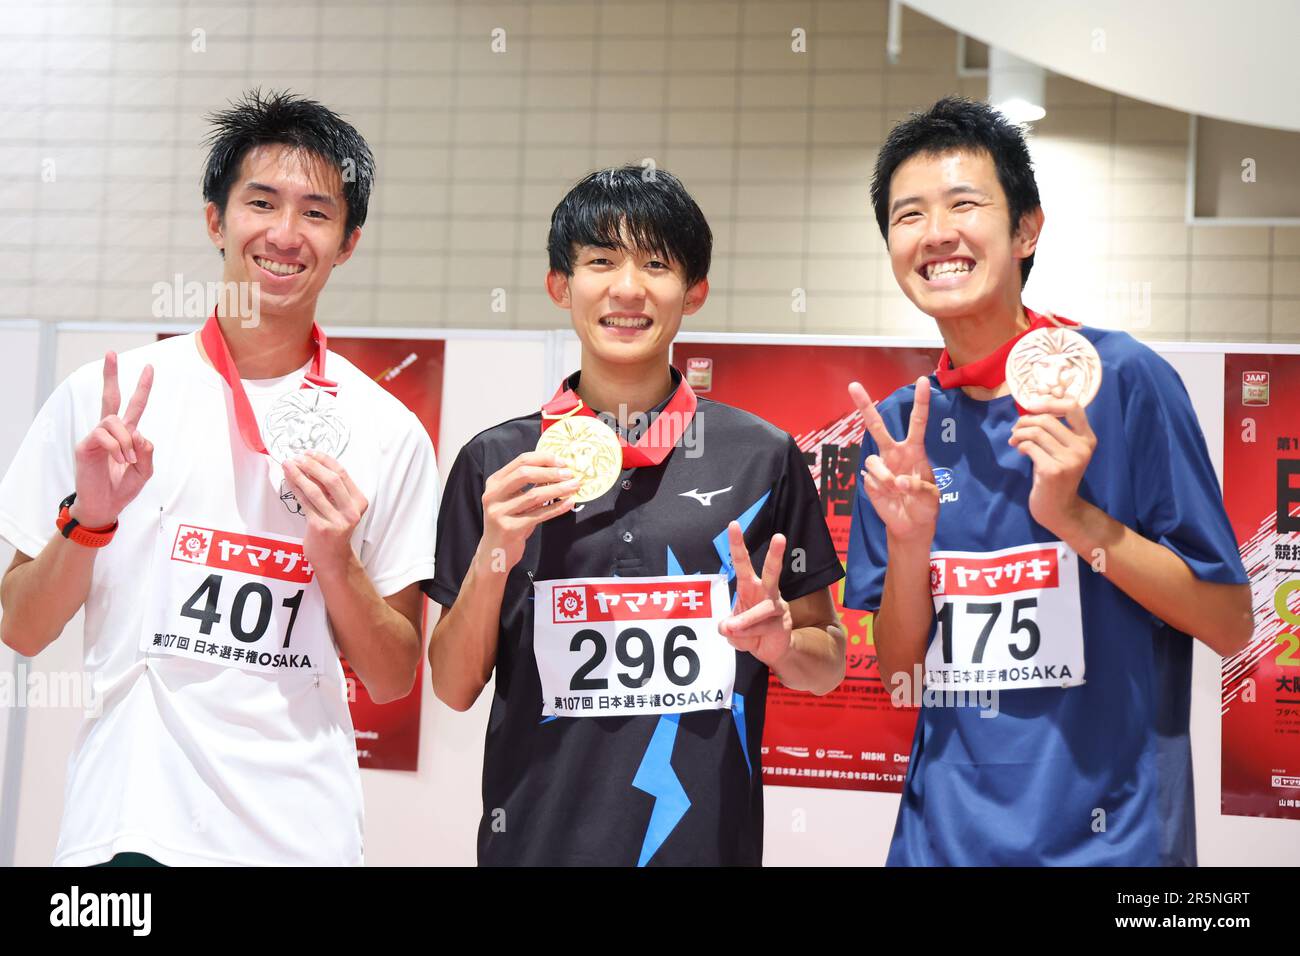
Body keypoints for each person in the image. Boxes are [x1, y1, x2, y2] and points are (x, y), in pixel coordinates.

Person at [0, 90, 439, 866]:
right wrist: (89, 519)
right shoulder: (110, 399)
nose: (283, 234)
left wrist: (334, 559)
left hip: (299, 834)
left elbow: (393, 673)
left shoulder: (388, 430)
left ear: (347, 243)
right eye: (260, 202)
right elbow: (22, 626)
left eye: (316, 212)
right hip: (128, 827)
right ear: (215, 220)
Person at [844, 96, 1254, 866]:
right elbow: (901, 674)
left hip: (1117, 846)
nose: (937, 234)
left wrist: (1075, 519)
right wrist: (910, 543)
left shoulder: (1126, 379)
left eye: (965, 204)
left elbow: (1230, 626)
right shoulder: (901, 432)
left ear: (1026, 228)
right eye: (908, 216)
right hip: (940, 844)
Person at [426, 165, 846, 866]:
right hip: (534, 846)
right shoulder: (497, 464)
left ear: (695, 291)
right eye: (599, 261)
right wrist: (497, 546)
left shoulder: (761, 456)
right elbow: (452, 685)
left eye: (656, 264)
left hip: (707, 848)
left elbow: (825, 659)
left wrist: (779, 647)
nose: (627, 288)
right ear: (561, 286)